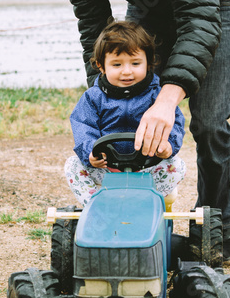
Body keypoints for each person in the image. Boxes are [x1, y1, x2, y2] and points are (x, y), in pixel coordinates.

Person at [49, 0, 230, 260]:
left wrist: (168, 100)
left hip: (210, 2)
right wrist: (103, 96)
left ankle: (215, 228)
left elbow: (198, 16)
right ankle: (124, 217)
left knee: (209, 123)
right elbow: (93, 25)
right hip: (148, 3)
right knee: (125, 106)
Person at [65, 21, 186, 209]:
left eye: (136, 63)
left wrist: (168, 145)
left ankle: (145, 203)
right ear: (101, 66)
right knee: (72, 166)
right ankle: (99, 207)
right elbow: (83, 126)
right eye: (117, 64)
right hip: (106, 169)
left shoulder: (158, 96)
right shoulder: (93, 98)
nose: (127, 71)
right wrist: (91, 153)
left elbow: (175, 121)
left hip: (147, 168)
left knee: (177, 166)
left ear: (149, 63)